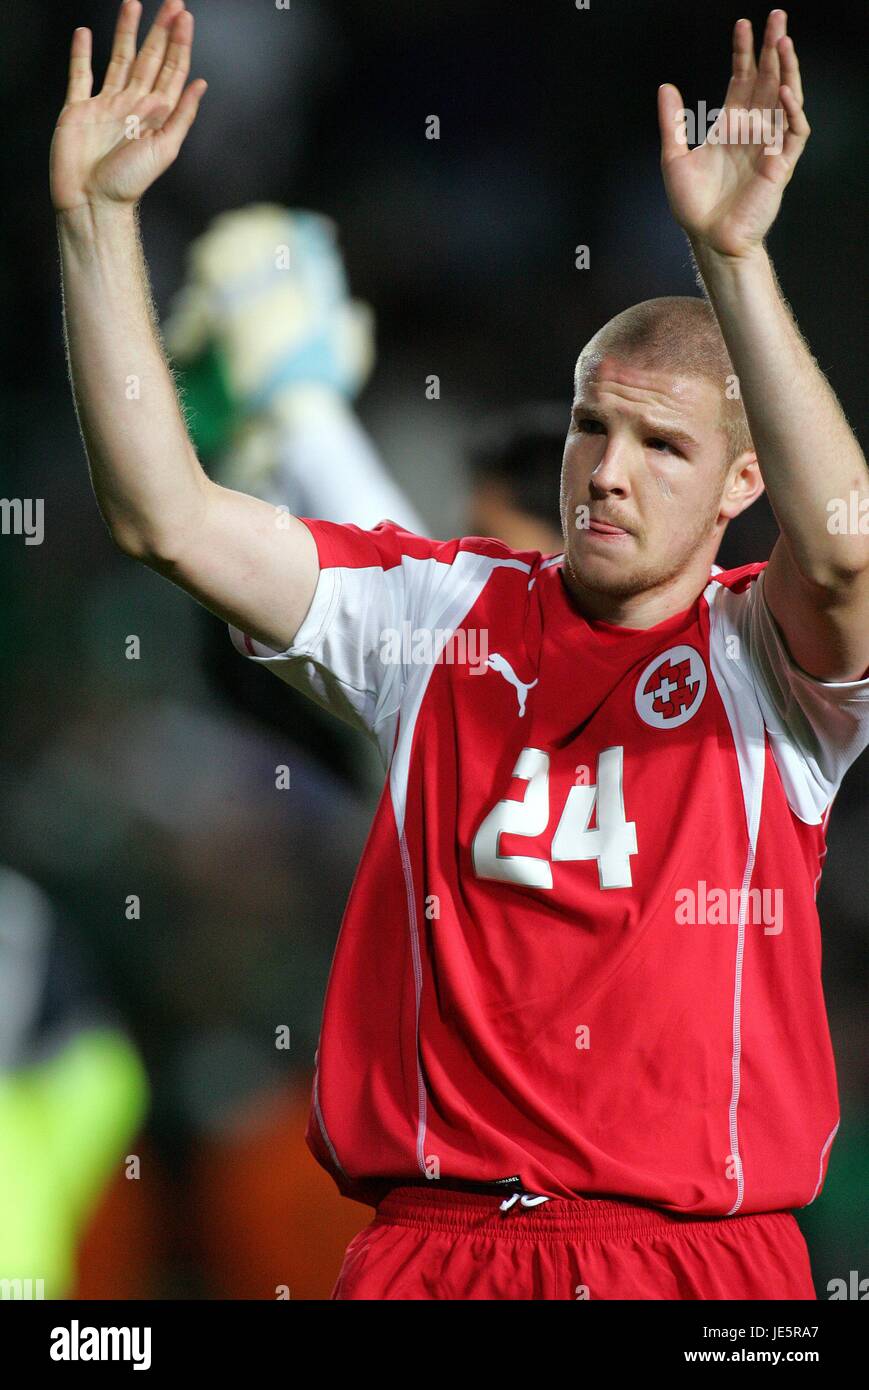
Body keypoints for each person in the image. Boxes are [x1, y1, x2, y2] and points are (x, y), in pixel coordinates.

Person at [52, 2, 868, 1299]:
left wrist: (732, 258)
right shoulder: (432, 616)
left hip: (696, 1263)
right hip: (437, 1251)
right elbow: (167, 517)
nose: (605, 473)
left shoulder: (768, 664)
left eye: (660, 447)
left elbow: (841, 551)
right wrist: (96, 225)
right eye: (591, 429)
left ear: (739, 485)